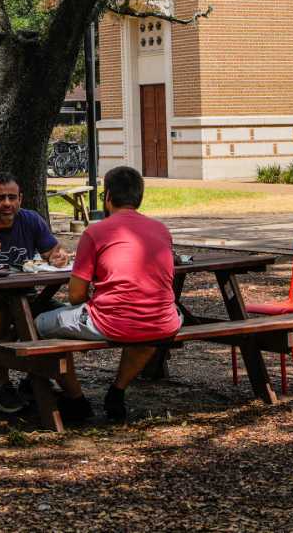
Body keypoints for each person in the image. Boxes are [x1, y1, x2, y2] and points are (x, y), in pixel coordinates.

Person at [35, 165, 179, 422]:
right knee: (149, 327)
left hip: (111, 321)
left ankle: (76, 399)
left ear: (108, 196)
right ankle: (117, 391)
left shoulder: (95, 232)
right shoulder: (161, 230)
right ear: (139, 197)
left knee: (35, 325)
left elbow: (76, 296)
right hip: (163, 321)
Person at [0, 172, 68, 412]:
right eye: (0, 198)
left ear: (20, 199)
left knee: (63, 316)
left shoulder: (32, 220)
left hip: (29, 297)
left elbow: (52, 251)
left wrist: (59, 256)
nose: (7, 203)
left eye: (12, 197)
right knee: (2, 315)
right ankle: (4, 386)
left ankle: (34, 379)